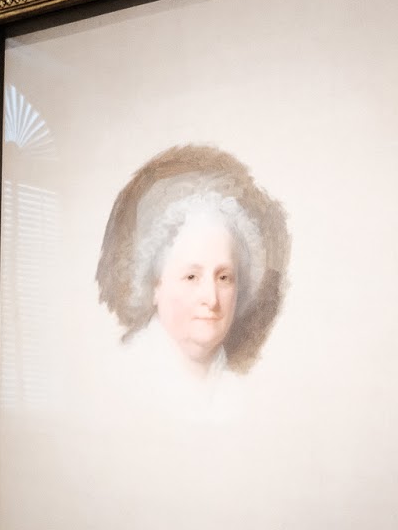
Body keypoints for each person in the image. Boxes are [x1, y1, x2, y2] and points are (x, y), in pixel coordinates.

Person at [93, 143, 289, 386]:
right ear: (155, 285)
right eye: (191, 277)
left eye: (224, 277)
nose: (211, 299)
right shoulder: (125, 377)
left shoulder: (240, 387)